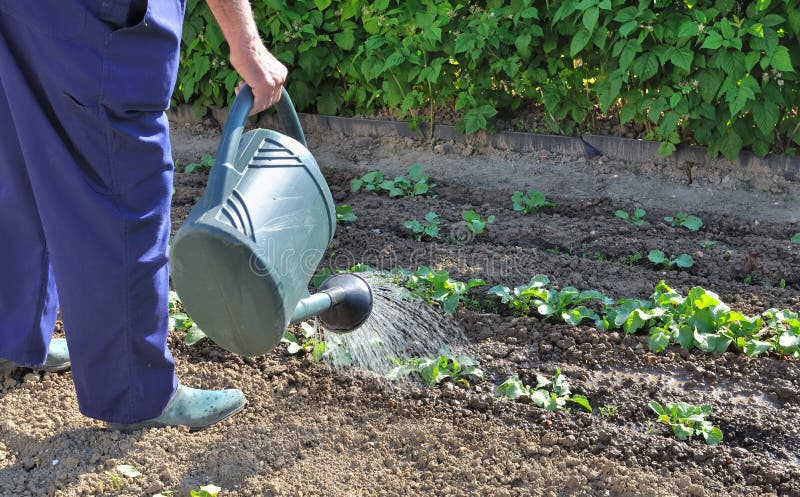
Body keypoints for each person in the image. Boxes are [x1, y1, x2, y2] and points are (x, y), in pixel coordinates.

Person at [0, 0, 287, 430]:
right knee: (121, 186)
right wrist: (246, 45)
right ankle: (134, 392)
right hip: (92, 21)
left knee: (21, 150)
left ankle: (10, 333)